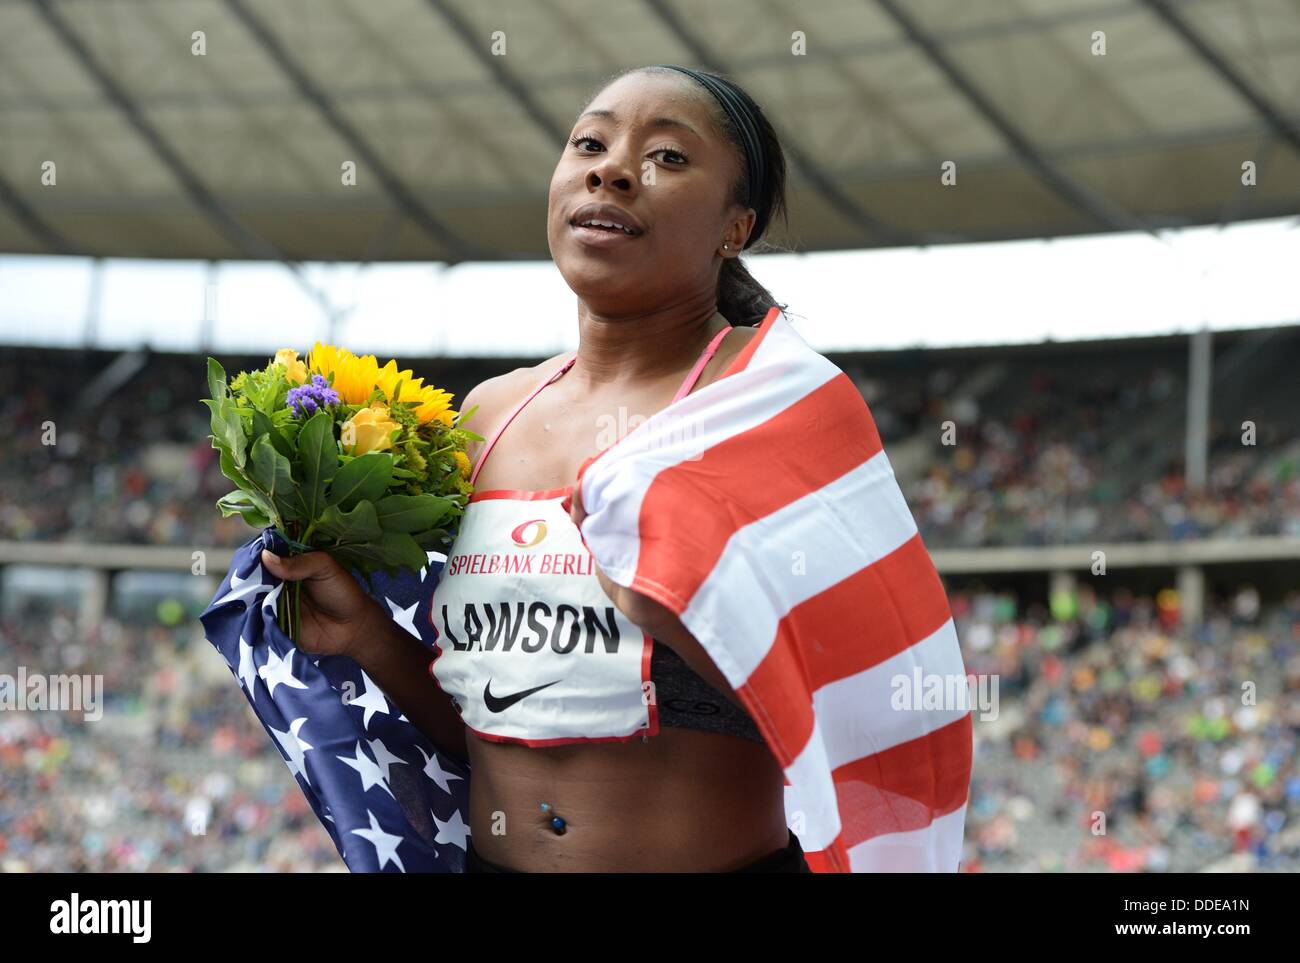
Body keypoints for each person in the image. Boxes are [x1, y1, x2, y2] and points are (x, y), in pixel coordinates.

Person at [260, 63, 811, 872]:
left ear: (737, 226)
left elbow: (852, 689)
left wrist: (681, 617)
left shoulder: (773, 400)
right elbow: (490, 723)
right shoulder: (487, 414)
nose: (611, 168)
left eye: (668, 157)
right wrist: (369, 635)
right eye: (588, 143)